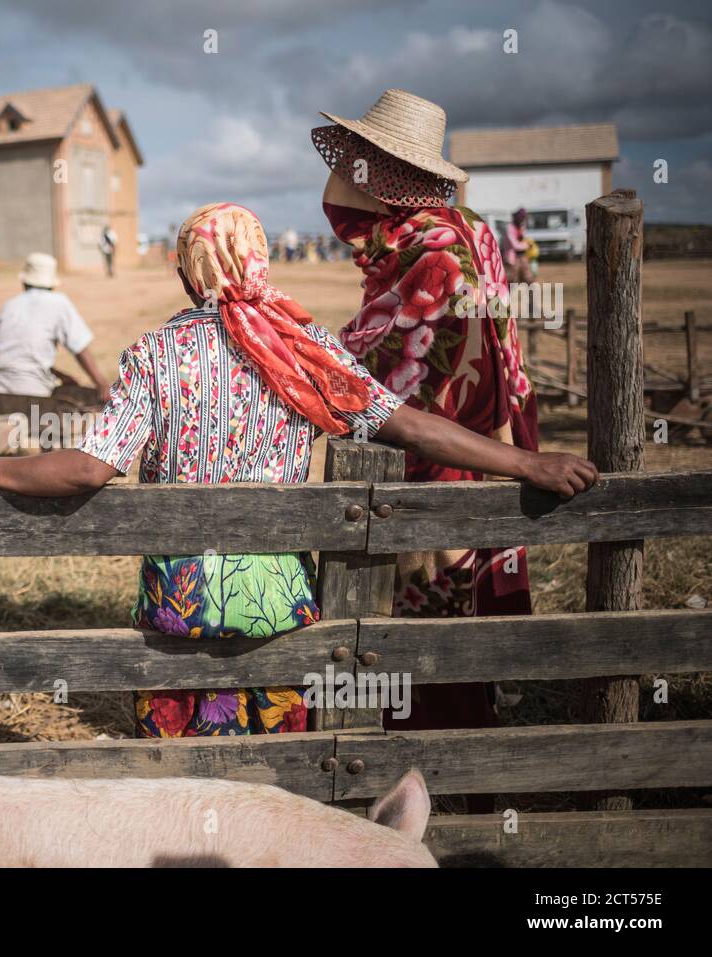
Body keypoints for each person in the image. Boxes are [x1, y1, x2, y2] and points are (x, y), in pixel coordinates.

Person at [0, 202, 596, 739]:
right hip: (279, 613)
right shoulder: (302, 348)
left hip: (180, 613)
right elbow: (411, 426)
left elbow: (90, 470)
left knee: (181, 792)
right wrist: (526, 462)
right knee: (274, 789)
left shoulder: (154, 352)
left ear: (188, 273)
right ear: (258, 259)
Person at [312, 89, 540, 743]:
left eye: (356, 162)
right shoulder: (453, 229)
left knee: (431, 633)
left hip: (445, 460)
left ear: (381, 174)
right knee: (454, 623)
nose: (339, 181)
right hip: (484, 442)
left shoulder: (429, 258)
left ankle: (440, 759)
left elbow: (396, 388)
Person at [0, 253, 106, 409]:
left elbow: (22, 356)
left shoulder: (9, 305)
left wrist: (59, 375)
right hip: (33, 395)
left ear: (24, 281)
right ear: (52, 284)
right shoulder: (58, 302)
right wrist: (102, 384)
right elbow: (80, 347)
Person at [503, 207, 533, 286]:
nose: (523, 220)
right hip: (512, 258)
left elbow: (523, 239)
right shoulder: (510, 228)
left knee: (528, 279)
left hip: (522, 256)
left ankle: (531, 297)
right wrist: (526, 245)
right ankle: (506, 297)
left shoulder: (521, 227)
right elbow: (514, 245)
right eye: (522, 218)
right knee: (511, 281)